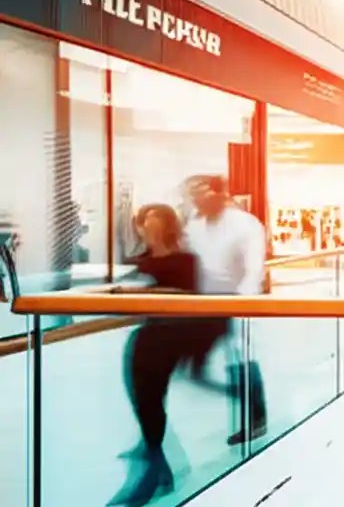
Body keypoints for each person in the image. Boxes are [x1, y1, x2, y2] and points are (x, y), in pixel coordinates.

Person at [110, 204, 218, 506]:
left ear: (168, 226)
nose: (148, 227)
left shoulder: (185, 261)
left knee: (151, 403)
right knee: (144, 400)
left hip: (173, 337)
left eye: (154, 221)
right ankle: (156, 459)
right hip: (145, 337)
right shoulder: (138, 262)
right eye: (144, 221)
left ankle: (152, 472)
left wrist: (142, 295)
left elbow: (189, 298)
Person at [184, 175, 269, 446]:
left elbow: (254, 269)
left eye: (201, 192)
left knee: (241, 357)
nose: (195, 199)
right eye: (192, 194)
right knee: (194, 369)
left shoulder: (245, 225)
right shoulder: (194, 226)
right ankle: (241, 395)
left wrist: (239, 303)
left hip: (234, 302)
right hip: (201, 305)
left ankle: (255, 417)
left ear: (220, 193)